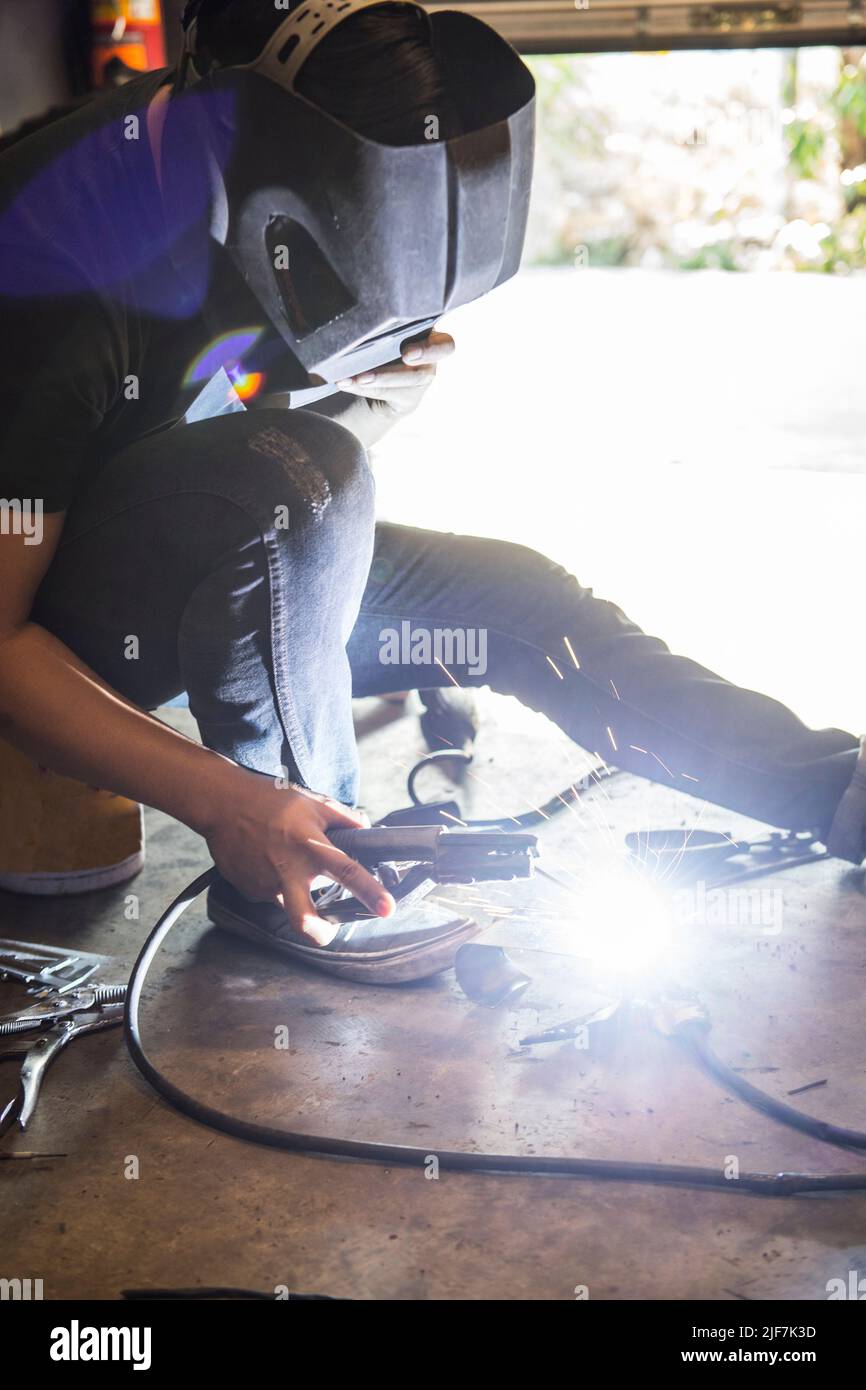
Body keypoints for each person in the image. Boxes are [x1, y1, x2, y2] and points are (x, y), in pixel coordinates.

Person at [0, 0, 862, 978]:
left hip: (167, 534)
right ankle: (301, 874)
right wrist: (228, 798)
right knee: (297, 479)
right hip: (35, 611)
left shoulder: (256, 168)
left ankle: (835, 792)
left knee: (517, 602)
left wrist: (372, 391)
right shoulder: (54, 263)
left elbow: (222, 456)